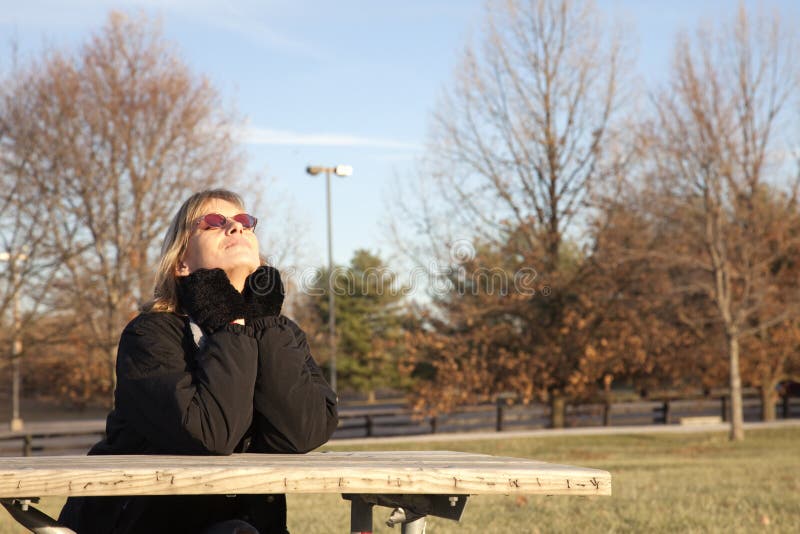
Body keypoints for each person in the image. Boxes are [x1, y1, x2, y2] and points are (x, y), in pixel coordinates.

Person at [58, 189, 338, 534]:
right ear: (181, 262)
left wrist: (261, 318)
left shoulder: (281, 333)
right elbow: (211, 433)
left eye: (244, 222)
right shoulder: (150, 336)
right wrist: (229, 320)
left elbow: (304, 432)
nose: (235, 228)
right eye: (213, 223)